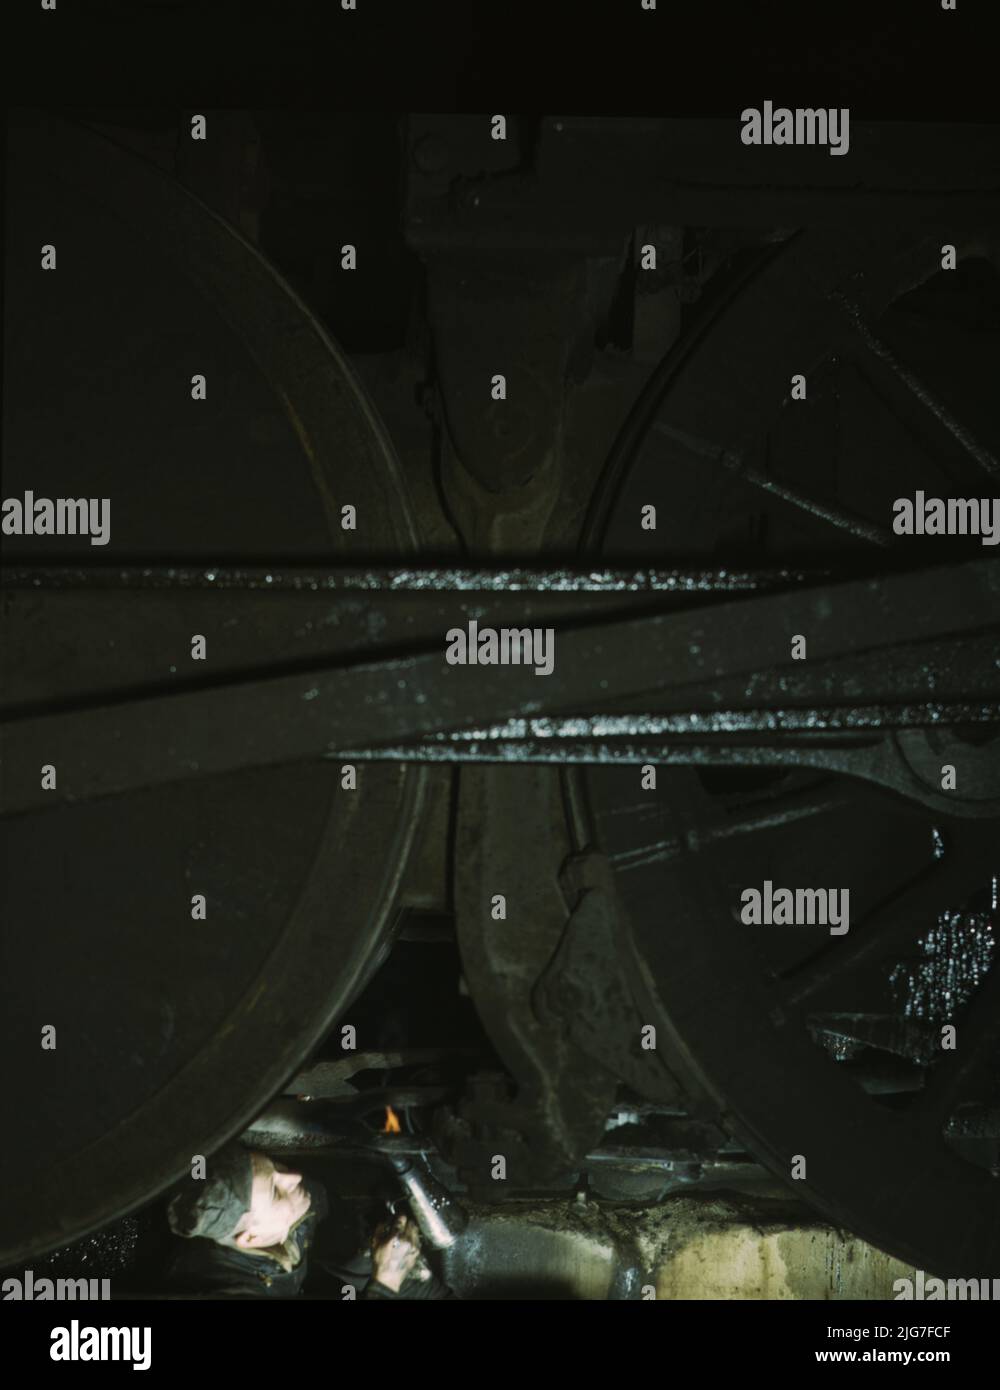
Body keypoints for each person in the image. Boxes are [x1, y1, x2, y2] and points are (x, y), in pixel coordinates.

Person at [165, 1145, 443, 1298]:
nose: (293, 1177)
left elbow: (349, 1247)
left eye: (276, 1168)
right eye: (275, 1191)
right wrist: (385, 1283)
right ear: (253, 1238)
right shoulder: (234, 1290)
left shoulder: (303, 1200)